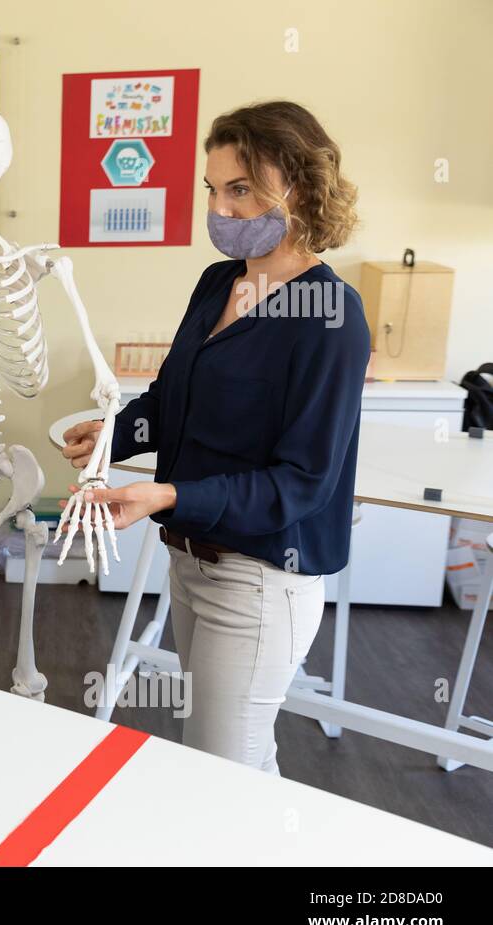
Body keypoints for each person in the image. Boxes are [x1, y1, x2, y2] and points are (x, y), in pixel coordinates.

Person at [61, 101, 370, 775]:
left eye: (241, 190)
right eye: (212, 188)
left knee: (216, 773)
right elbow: (176, 402)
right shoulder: (217, 283)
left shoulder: (331, 317)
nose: (221, 209)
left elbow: (301, 483)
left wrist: (168, 495)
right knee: (238, 762)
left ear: (300, 188)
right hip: (191, 565)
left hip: (260, 580)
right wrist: (114, 434)